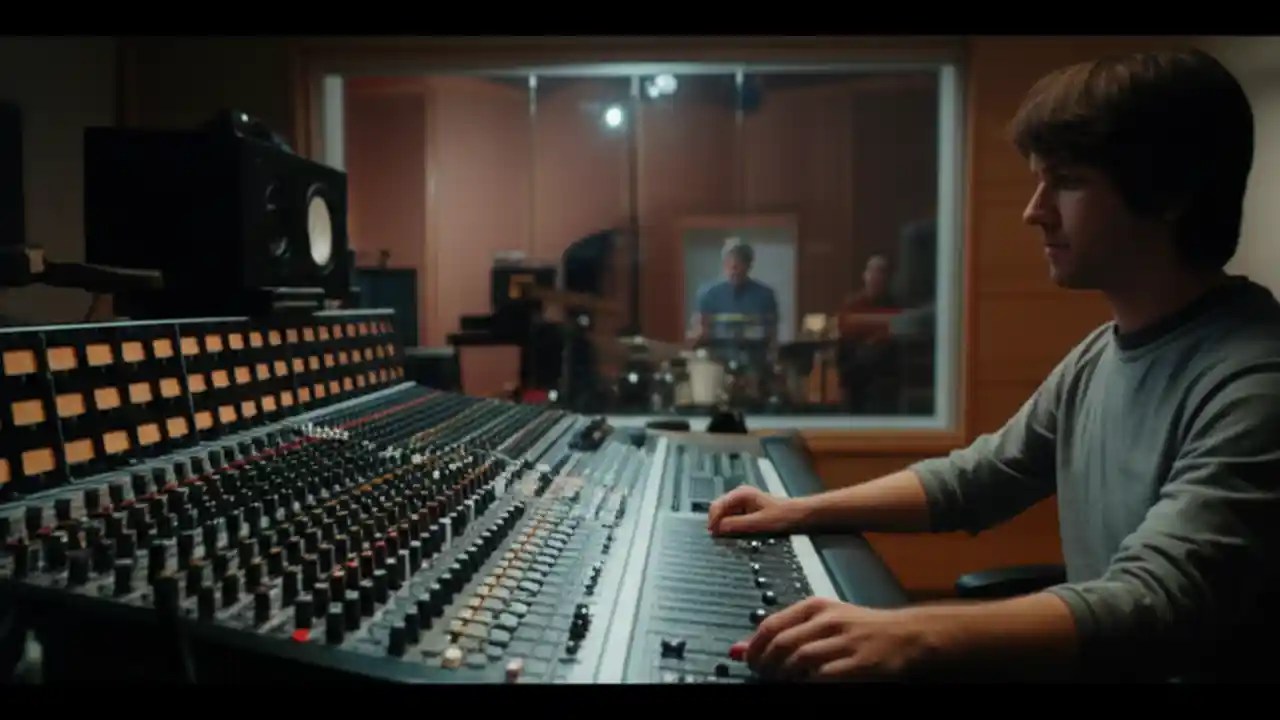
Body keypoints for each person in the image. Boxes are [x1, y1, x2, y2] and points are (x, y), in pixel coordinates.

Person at [707, 47, 1280, 683]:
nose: (1035, 210)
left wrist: (916, 631)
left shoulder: (1255, 382)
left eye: (1066, 181)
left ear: (1170, 191)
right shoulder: (1100, 354)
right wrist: (799, 511)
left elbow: (1160, 597)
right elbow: (980, 478)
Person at [691, 238, 779, 348]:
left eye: (740, 264)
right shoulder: (708, 294)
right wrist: (698, 334)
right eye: (730, 265)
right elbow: (698, 333)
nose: (734, 270)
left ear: (749, 266)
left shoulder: (765, 296)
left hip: (755, 358)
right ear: (724, 265)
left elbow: (772, 336)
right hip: (717, 359)